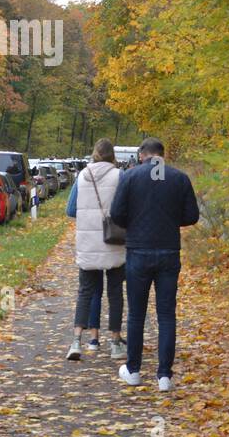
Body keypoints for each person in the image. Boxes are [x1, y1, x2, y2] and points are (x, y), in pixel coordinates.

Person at [109, 137, 199, 391]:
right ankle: (164, 376)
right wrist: (169, 221)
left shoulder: (130, 177)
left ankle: (134, 370)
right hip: (169, 251)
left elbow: (117, 214)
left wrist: (135, 224)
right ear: (162, 155)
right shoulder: (179, 178)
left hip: (138, 250)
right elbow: (192, 216)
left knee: (137, 314)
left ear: (141, 155)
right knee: (167, 314)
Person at [64, 138, 126, 362]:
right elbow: (126, 207)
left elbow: (71, 209)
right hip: (114, 241)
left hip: (88, 243)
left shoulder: (81, 176)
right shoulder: (120, 176)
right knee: (115, 292)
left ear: (94, 154)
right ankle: (116, 343)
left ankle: (78, 341)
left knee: (86, 291)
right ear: (113, 156)